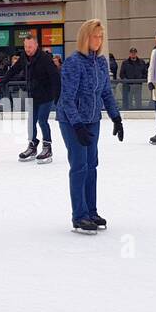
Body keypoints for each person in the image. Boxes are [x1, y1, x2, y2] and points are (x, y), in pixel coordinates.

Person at [57, 19, 123, 234]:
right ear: (86, 37)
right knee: (79, 166)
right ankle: (79, 216)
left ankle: (91, 211)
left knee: (92, 166)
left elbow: (105, 92)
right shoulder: (74, 62)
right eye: (95, 36)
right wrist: (77, 125)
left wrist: (116, 118)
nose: (99, 40)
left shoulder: (101, 62)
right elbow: (67, 98)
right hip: (72, 121)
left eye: (101, 36)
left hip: (93, 120)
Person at [1, 33, 60, 163]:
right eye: (26, 46)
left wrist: (57, 97)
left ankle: (47, 146)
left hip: (47, 95)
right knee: (31, 121)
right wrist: (3, 81)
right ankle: (32, 146)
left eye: (30, 46)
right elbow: (14, 70)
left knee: (42, 120)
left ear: (36, 45)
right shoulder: (24, 57)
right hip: (33, 95)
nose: (28, 49)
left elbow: (55, 77)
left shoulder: (45, 58)